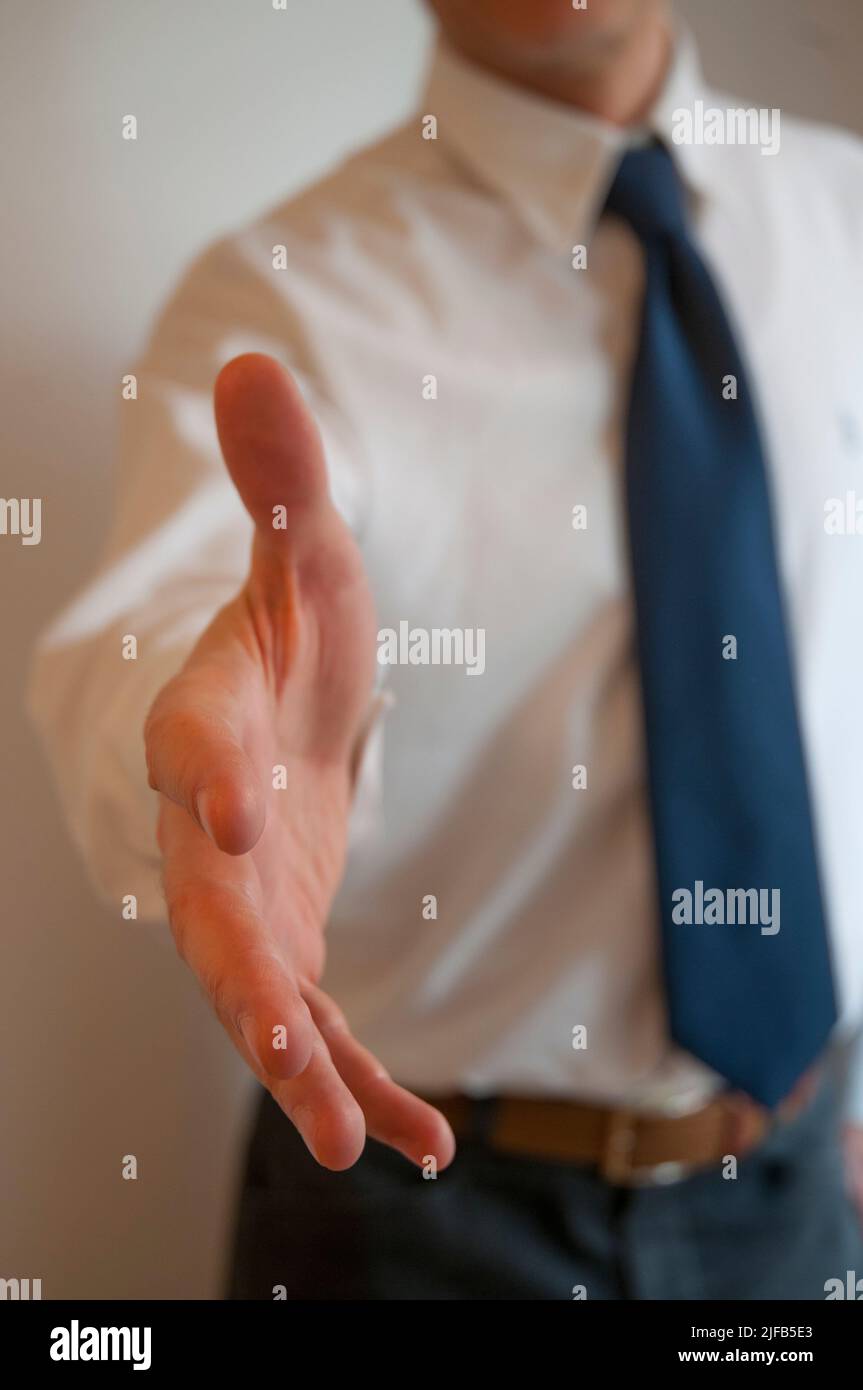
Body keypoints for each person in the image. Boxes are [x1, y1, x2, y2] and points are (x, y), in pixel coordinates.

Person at [29, 0, 863, 1299]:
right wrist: (204, 766)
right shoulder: (277, 300)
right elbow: (161, 631)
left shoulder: (847, 218)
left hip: (802, 1187)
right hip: (412, 1213)